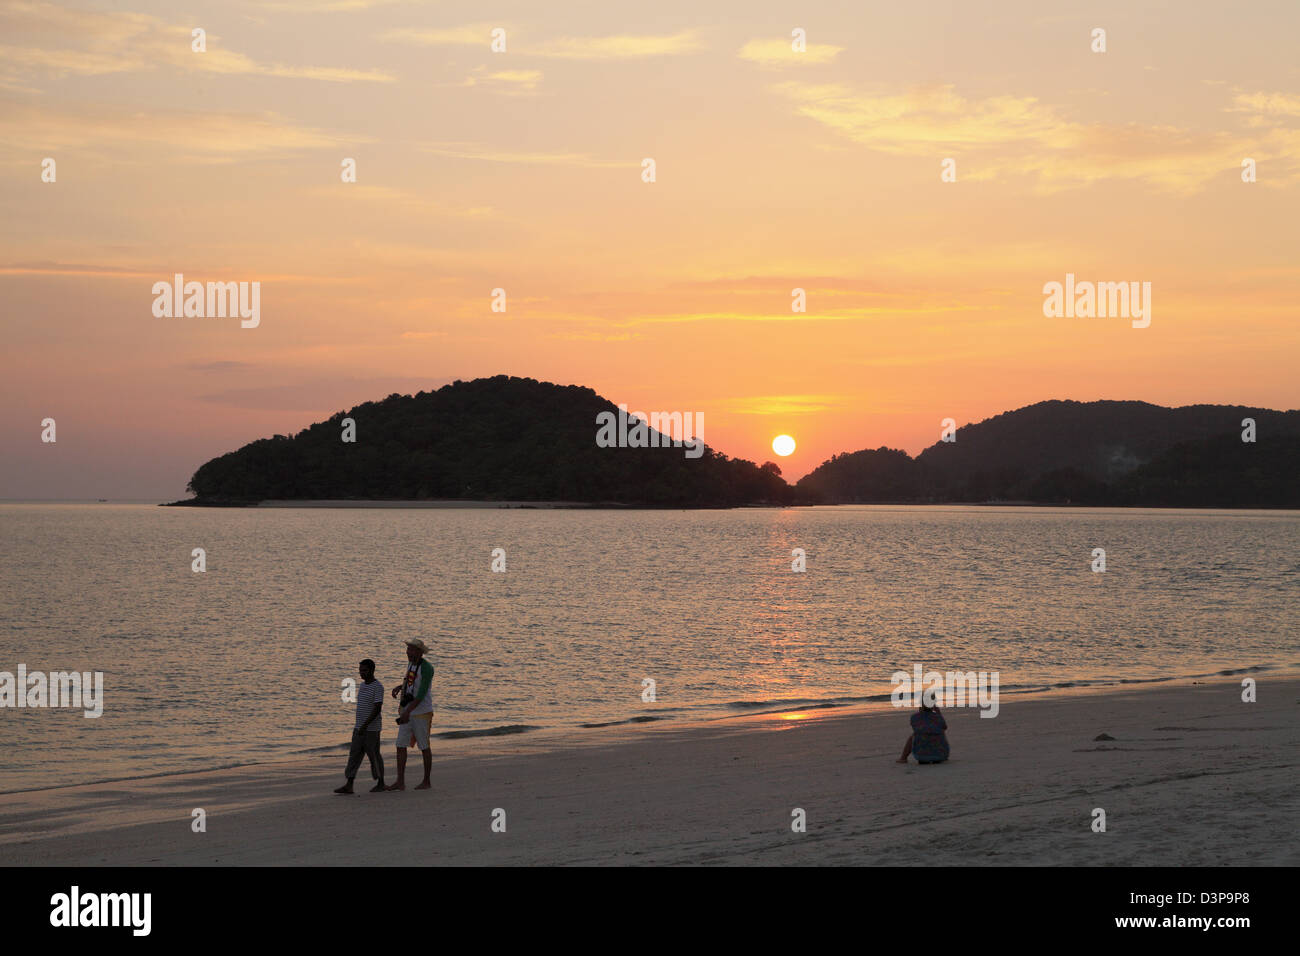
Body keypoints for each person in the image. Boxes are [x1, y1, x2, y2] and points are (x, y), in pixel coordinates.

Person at [387, 638, 435, 791]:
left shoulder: (427, 668)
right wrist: (399, 687)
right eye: (408, 649)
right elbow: (410, 681)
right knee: (400, 745)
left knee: (424, 746)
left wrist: (408, 712)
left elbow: (421, 694)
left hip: (421, 713)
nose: (408, 652)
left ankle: (426, 781)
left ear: (419, 652)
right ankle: (400, 781)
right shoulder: (411, 664)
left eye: (411, 650)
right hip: (408, 711)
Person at [335, 659, 385, 793]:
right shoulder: (363, 685)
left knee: (374, 755)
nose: (361, 673)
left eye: (364, 670)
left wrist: (365, 725)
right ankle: (349, 784)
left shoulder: (378, 686)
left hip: (371, 729)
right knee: (354, 755)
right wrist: (359, 726)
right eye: (360, 670)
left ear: (372, 671)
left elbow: (377, 709)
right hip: (359, 727)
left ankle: (381, 783)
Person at [898, 700, 949, 764]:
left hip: (920, 755)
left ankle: (903, 758)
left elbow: (917, 729)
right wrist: (938, 713)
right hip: (940, 755)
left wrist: (921, 712)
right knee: (940, 731)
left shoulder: (915, 717)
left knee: (913, 736)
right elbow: (944, 727)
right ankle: (940, 753)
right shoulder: (938, 717)